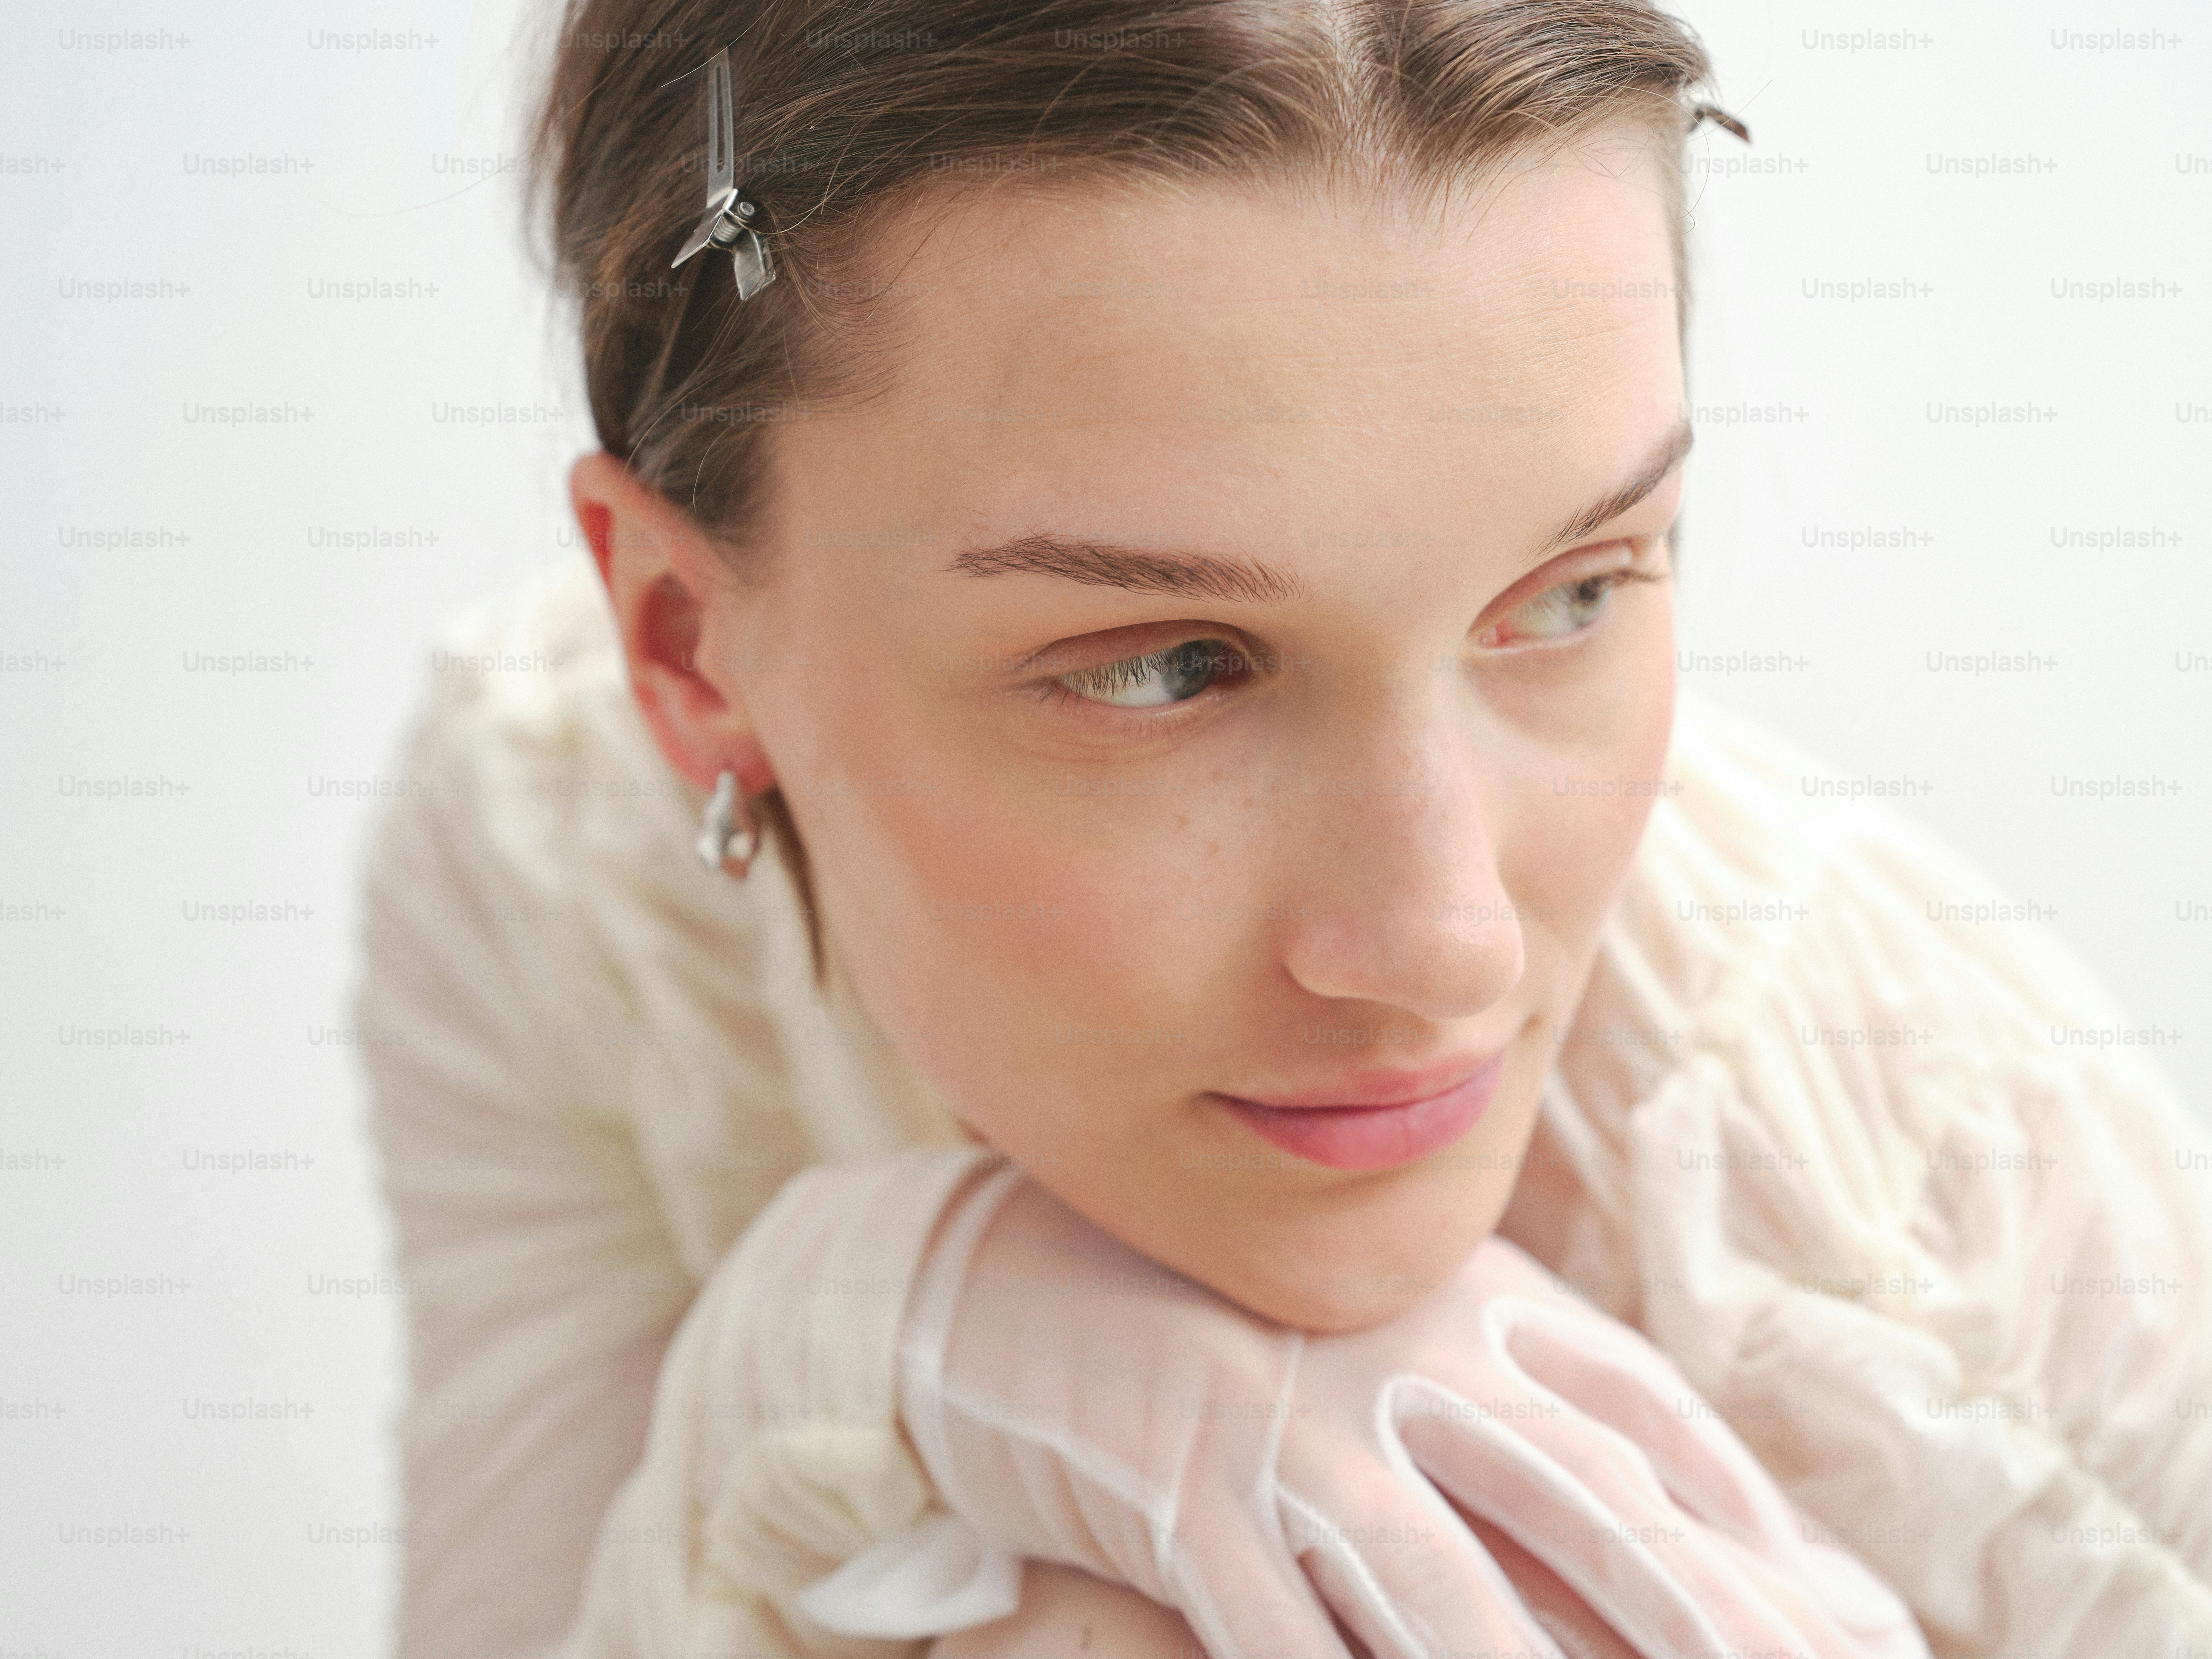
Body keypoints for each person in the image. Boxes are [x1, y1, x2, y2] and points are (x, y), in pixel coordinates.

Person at [350, 3, 2212, 1656]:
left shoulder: (1920, 1213)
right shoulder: (552, 850)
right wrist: (849, 1338)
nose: (1447, 941)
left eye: (1572, 593)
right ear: (687, 647)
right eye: (1169, 665)